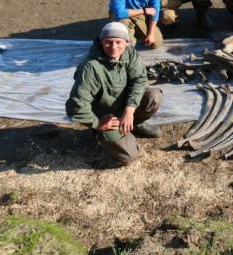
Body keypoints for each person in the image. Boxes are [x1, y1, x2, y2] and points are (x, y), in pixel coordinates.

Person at [65, 22, 163, 166]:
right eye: (108, 42)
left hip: (123, 105)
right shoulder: (91, 68)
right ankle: (103, 133)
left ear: (127, 43)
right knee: (128, 156)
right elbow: (75, 106)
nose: (113, 47)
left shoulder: (129, 52)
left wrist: (129, 110)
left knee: (153, 96)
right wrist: (97, 123)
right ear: (101, 42)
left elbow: (139, 79)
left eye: (118, 42)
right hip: (105, 116)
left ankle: (135, 124)